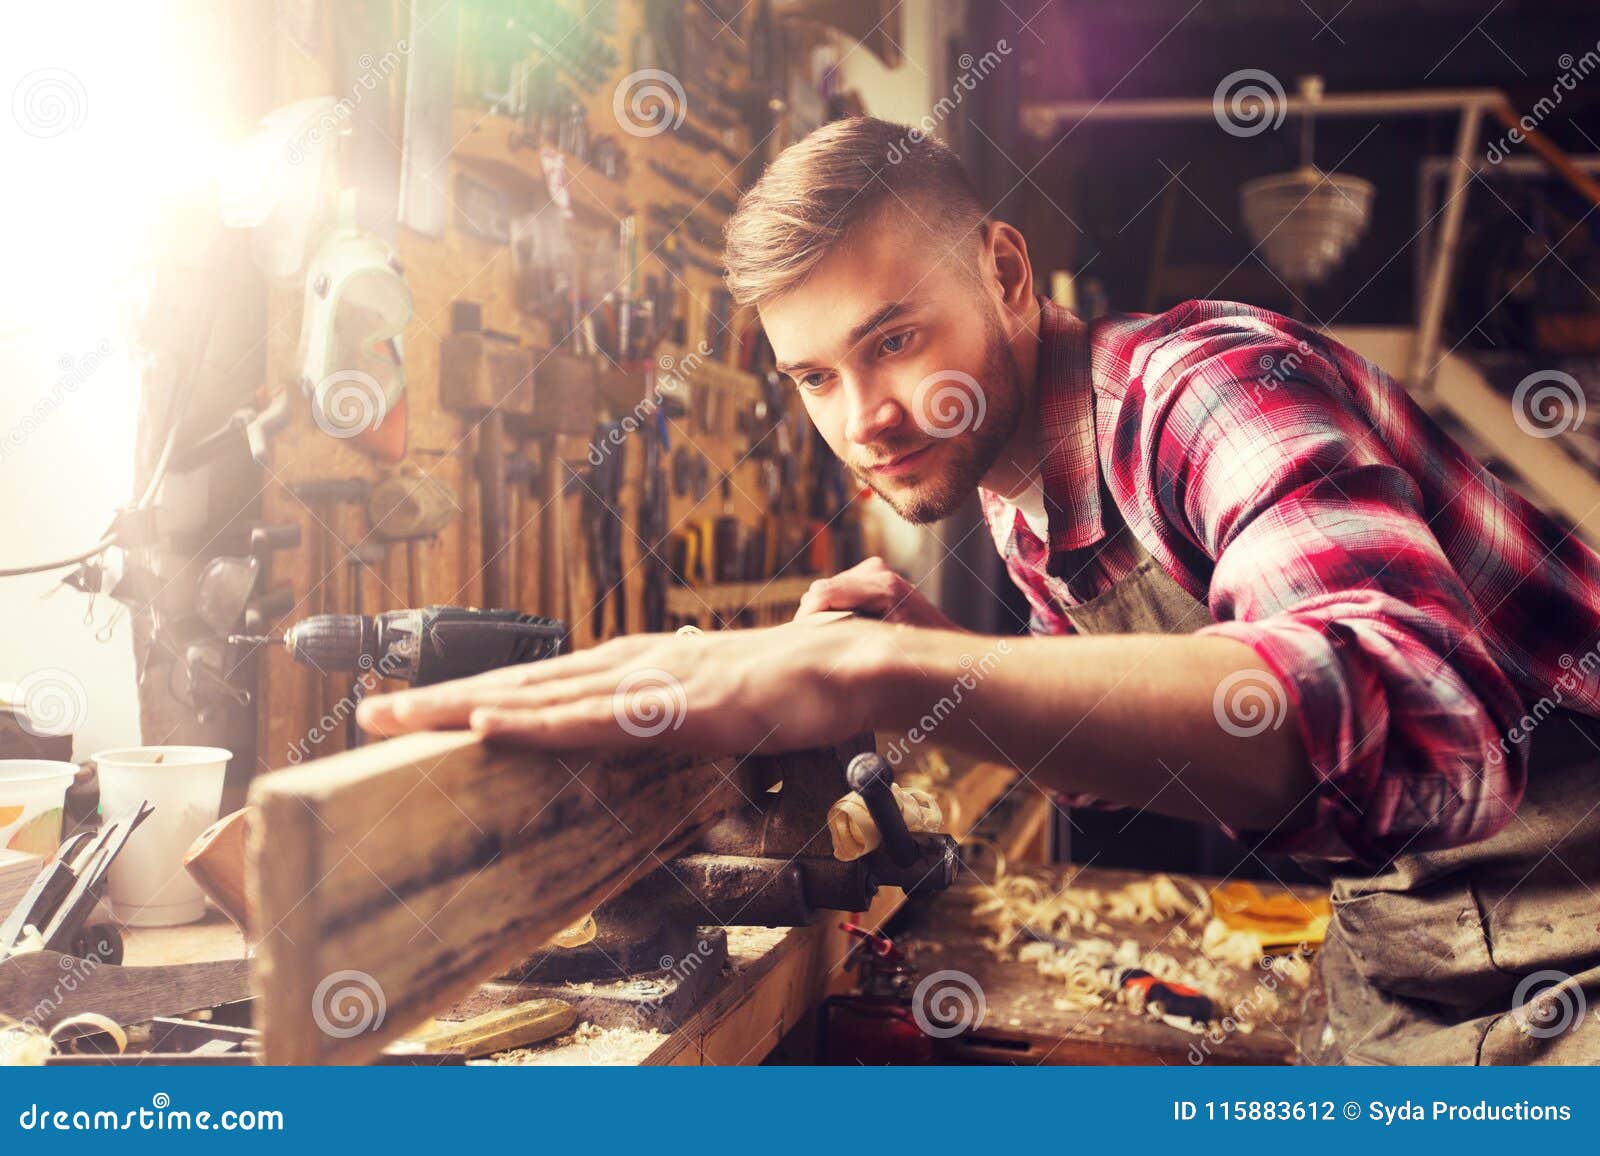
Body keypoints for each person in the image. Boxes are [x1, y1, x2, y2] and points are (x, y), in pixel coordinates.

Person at [359, 116, 1600, 1064]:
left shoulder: (1198, 390)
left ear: (1006, 270)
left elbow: (1419, 728)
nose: (867, 420)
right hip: (1419, 951)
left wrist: (885, 671)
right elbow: (1149, 741)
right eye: (816, 377)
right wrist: (937, 661)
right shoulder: (1023, 494)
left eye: (894, 340)